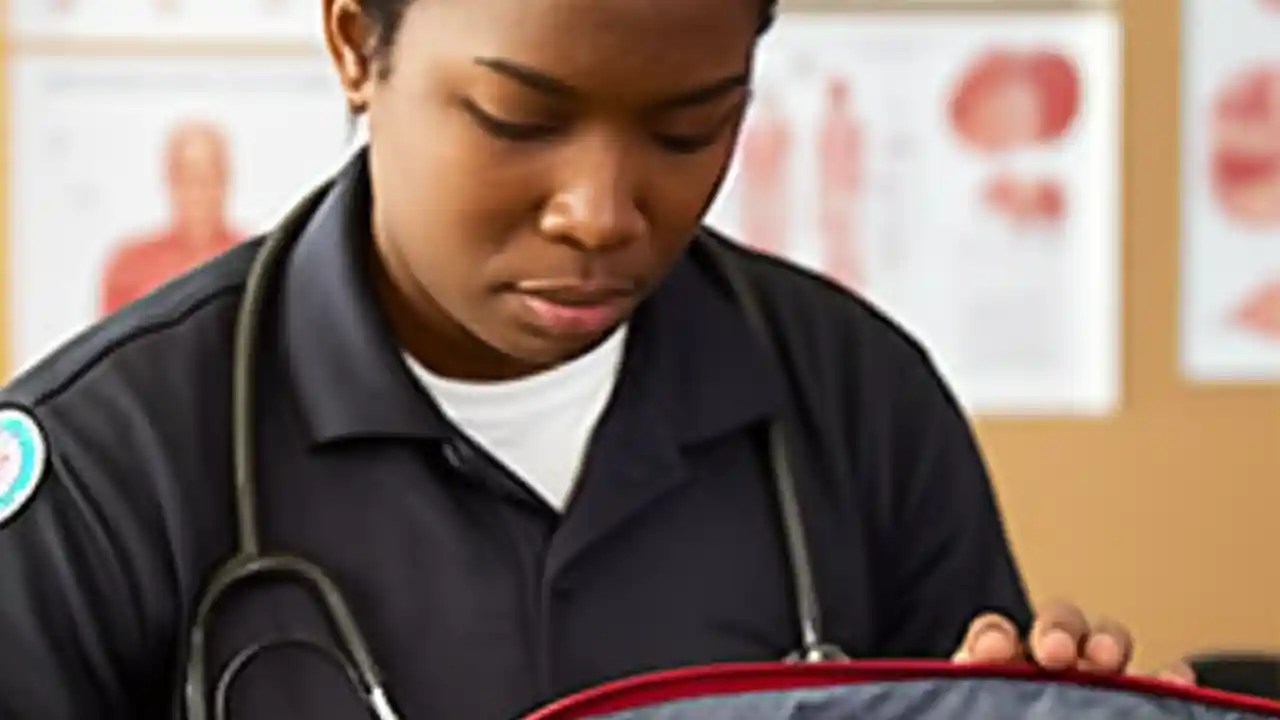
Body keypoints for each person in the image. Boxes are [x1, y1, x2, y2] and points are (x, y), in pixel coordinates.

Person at [0, 0, 1187, 718]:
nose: (602, 213)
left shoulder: (861, 404)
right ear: (357, 43)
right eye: (519, 121)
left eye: (688, 129)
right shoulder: (105, 468)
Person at [101, 120, 246, 315]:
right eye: (190, 177)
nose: (200, 192)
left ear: (226, 180)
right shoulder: (130, 267)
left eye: (209, 177)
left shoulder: (252, 260)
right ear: (171, 180)